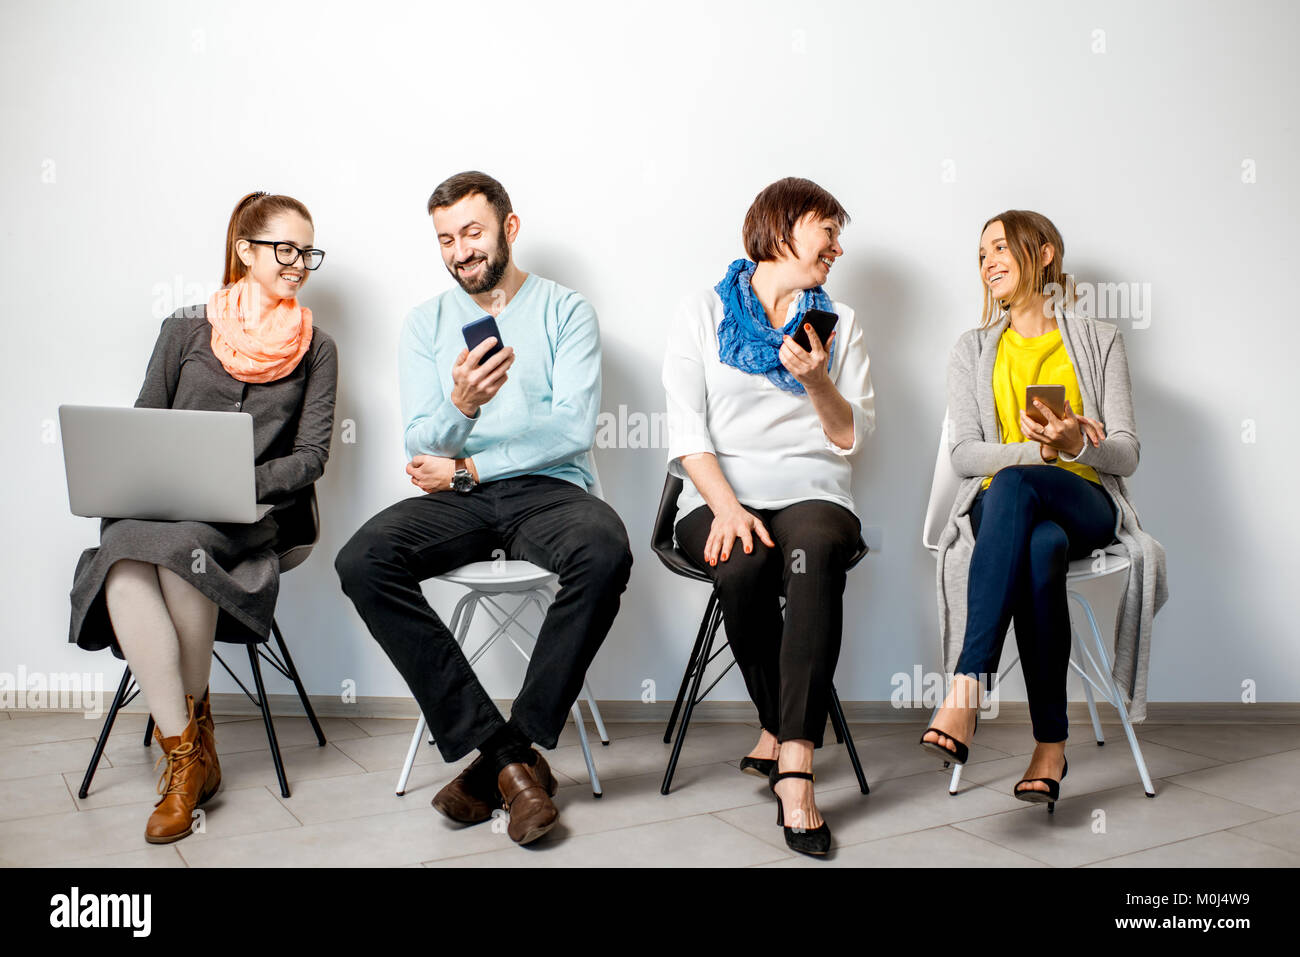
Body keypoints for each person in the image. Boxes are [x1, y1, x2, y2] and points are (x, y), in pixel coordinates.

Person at [334, 171, 632, 847]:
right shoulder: (424, 323)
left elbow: (572, 430)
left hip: (551, 490)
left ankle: (508, 752)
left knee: (604, 549)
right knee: (363, 559)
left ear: (509, 228)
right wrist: (462, 405)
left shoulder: (566, 310)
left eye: (472, 232)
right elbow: (420, 443)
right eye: (446, 239)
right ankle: (509, 757)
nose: (460, 250)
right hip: (459, 501)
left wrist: (468, 462)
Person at [69, 191, 337, 843]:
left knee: (181, 550)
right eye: (286, 249)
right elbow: (141, 422)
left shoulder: (318, 348)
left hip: (249, 518)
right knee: (127, 552)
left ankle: (185, 761)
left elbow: (311, 457)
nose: (299, 264)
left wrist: (235, 483)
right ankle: (189, 748)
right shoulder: (184, 328)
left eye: (309, 252)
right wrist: (169, 476)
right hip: (158, 507)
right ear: (245, 251)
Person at [922, 210, 1167, 809]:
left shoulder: (1098, 339)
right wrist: (1039, 448)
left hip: (1084, 499)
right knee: (1035, 541)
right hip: (1007, 510)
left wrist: (1077, 445)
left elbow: (1127, 454)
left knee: (1017, 487)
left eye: (1000, 248)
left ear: (1047, 252)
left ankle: (964, 689)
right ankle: (1050, 747)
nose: (989, 264)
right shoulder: (973, 348)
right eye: (981, 255)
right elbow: (962, 454)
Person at [662, 177, 875, 856]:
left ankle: (795, 764)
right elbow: (686, 429)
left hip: (815, 491)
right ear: (783, 227)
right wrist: (725, 505)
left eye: (839, 235)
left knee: (811, 552)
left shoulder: (839, 322)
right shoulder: (703, 311)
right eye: (828, 230)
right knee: (743, 558)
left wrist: (818, 380)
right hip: (719, 493)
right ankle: (780, 724)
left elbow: (851, 436)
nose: (838, 247)